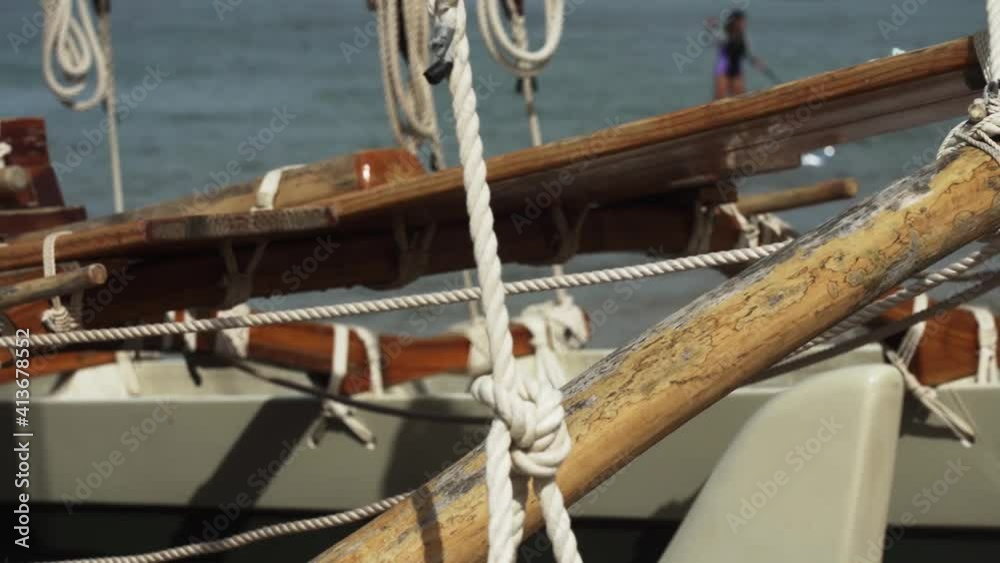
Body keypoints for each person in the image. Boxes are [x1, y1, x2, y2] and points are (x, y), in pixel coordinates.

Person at [712, 10, 772, 99]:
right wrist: (713, 26)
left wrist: (757, 62)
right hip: (723, 71)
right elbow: (717, 38)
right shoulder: (725, 34)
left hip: (737, 71)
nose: (744, 24)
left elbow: (748, 53)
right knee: (719, 100)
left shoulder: (743, 37)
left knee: (741, 98)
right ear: (735, 22)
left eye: (744, 21)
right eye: (742, 21)